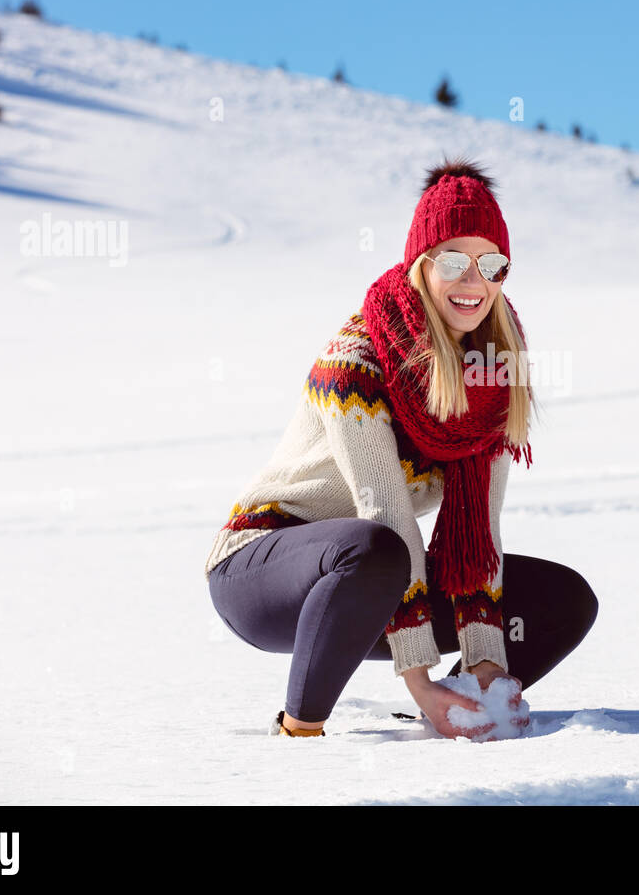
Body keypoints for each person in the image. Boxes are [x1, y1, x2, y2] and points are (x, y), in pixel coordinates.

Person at [204, 158, 597, 738]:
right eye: (455, 261)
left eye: (491, 264)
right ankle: (299, 729)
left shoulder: (492, 372)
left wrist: (485, 662)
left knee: (562, 598)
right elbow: (384, 512)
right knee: (376, 548)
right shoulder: (356, 357)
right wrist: (418, 676)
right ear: (420, 264)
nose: (474, 281)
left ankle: (460, 707)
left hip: (367, 586)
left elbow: (479, 535)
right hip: (263, 570)